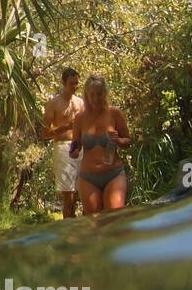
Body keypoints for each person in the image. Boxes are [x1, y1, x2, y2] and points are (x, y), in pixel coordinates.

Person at [69, 75, 131, 216]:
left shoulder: (115, 113)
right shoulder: (79, 118)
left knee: (114, 216)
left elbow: (127, 140)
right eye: (92, 95)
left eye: (99, 94)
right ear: (86, 96)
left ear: (105, 93)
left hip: (113, 174)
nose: (96, 98)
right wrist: (73, 151)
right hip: (88, 177)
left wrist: (118, 141)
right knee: (94, 219)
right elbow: (75, 145)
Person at [41, 68, 85, 218]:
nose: (75, 86)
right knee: (69, 194)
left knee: (85, 190)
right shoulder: (53, 104)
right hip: (62, 147)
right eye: (72, 83)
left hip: (80, 146)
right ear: (64, 83)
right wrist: (66, 127)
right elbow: (44, 133)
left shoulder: (81, 103)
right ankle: (68, 229)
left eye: (77, 83)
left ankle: (85, 228)